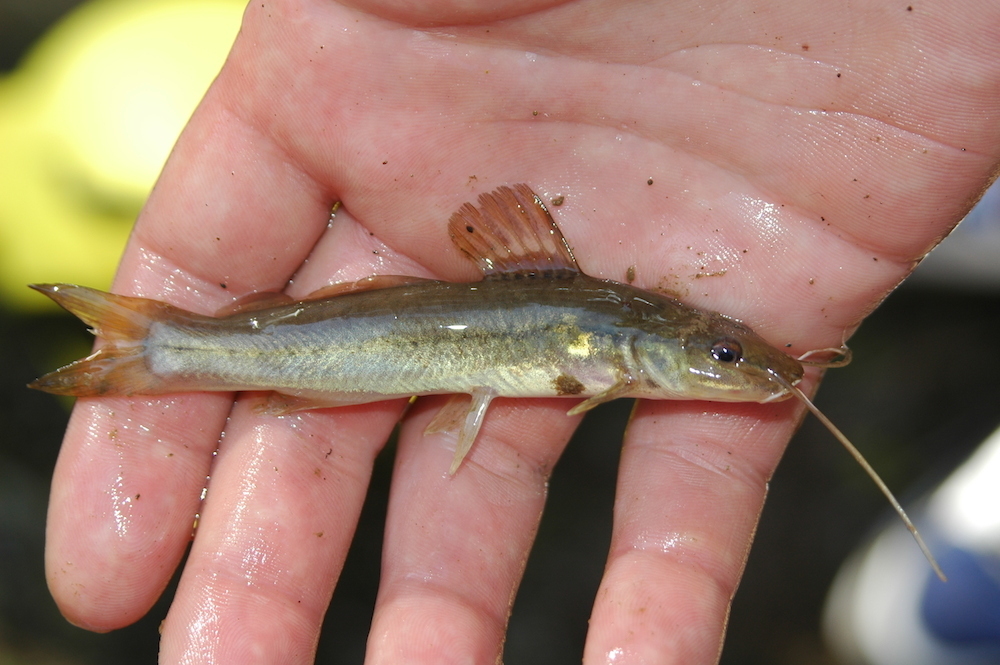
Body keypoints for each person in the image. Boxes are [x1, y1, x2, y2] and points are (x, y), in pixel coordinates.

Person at [43, 1, 1000, 662]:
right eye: (717, 357)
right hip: (329, 338)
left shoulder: (613, 334)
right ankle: (160, 349)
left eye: (722, 354)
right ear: (634, 351)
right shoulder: (589, 338)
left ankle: (159, 349)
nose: (733, 368)